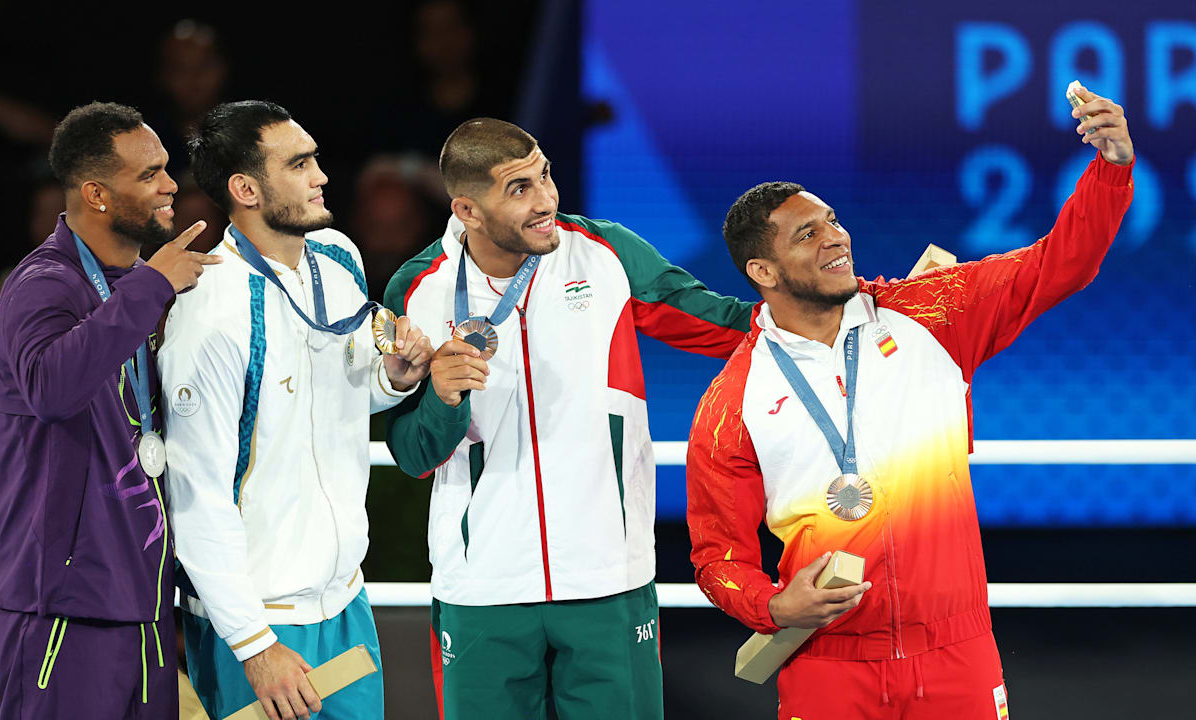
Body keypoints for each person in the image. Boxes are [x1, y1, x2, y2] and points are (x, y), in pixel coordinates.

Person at [686, 86, 1134, 718]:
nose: (836, 238)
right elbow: (717, 553)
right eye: (808, 234)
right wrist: (771, 608)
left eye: (833, 221)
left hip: (957, 652)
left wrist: (1111, 167)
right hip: (827, 663)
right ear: (764, 271)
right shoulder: (732, 400)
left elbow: (1061, 261)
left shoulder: (934, 313)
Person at [384, 117, 756, 719]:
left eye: (545, 176)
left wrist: (870, 308)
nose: (546, 200)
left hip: (608, 576)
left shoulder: (606, 254)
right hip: (482, 587)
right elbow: (410, 451)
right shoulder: (418, 289)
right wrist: (443, 400)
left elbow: (727, 326)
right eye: (519, 188)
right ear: (467, 210)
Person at [160, 100, 434, 720]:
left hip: (346, 601)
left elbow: (341, 392)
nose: (322, 176)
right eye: (300, 163)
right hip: (258, 625)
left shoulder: (337, 256)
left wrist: (391, 377)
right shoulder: (209, 312)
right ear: (246, 189)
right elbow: (197, 493)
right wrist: (255, 646)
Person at [0, 101, 218, 719]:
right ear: (96, 194)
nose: (171, 185)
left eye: (167, 168)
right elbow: (52, 390)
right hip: (62, 608)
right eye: (149, 174)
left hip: (140, 603)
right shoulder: (43, 284)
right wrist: (153, 288)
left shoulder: (131, 284)